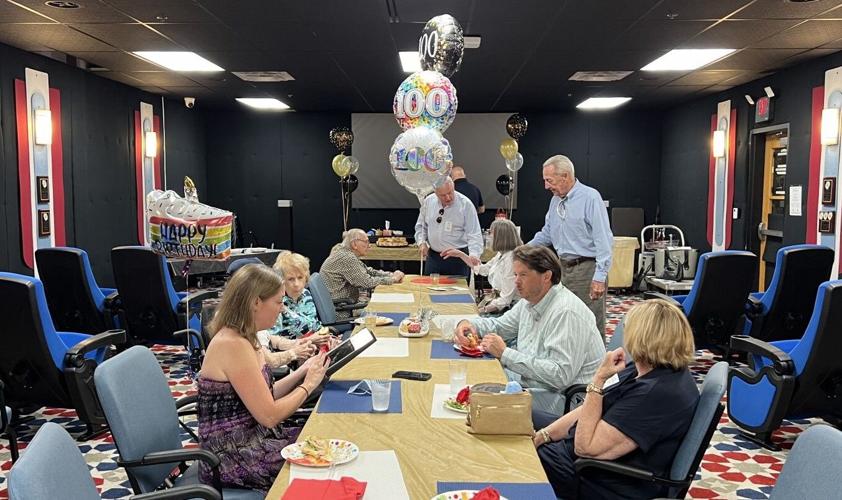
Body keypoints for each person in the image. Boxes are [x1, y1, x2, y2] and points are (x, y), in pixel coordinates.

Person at [532, 299, 699, 500]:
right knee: (523, 417)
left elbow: (585, 447)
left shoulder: (654, 395)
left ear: (642, 338)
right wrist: (544, 435)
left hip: (596, 478)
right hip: (580, 454)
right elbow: (588, 410)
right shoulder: (644, 368)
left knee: (514, 456)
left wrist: (598, 380)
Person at [197, 264, 328, 492]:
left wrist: (304, 370)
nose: (282, 308)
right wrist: (308, 385)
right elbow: (269, 415)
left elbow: (264, 395)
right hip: (230, 457)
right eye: (278, 302)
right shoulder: (232, 344)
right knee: (323, 461)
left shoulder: (246, 336)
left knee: (325, 441)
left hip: (251, 441)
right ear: (256, 302)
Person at [453, 245, 605, 413]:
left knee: (479, 405)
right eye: (515, 274)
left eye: (523, 275)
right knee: (472, 385)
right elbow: (500, 326)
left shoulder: (566, 312)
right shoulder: (530, 300)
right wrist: (468, 324)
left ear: (546, 276)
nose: (516, 281)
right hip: (535, 386)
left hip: (566, 401)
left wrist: (505, 354)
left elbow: (560, 376)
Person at [528, 154, 614, 339]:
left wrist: (599, 277)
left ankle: (597, 367)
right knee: (566, 321)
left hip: (587, 270)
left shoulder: (590, 197)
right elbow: (547, 234)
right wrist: (523, 250)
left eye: (549, 180)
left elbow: (604, 240)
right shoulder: (555, 200)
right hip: (563, 269)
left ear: (565, 176)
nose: (546, 186)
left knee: (590, 324)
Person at [319, 229, 404, 319]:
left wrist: (390, 275)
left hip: (345, 305)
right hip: (343, 311)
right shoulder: (346, 258)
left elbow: (367, 271)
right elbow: (366, 282)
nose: (369, 246)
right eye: (366, 242)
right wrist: (393, 279)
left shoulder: (344, 253)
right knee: (389, 310)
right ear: (354, 244)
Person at [442, 218, 522, 314]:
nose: (488, 237)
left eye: (491, 234)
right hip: (497, 303)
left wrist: (480, 310)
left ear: (500, 237)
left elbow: (505, 300)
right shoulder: (501, 254)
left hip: (509, 310)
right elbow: (483, 270)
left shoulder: (511, 260)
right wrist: (460, 255)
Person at [415, 177, 484, 277]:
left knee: (457, 291)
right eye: (443, 195)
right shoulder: (428, 202)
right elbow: (421, 227)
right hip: (433, 258)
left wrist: (474, 255)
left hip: (458, 260)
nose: (448, 198)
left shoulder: (465, 204)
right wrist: (421, 243)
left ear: (454, 187)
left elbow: (474, 234)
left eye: (450, 192)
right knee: (429, 290)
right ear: (435, 192)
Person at [268, 251, 322, 339]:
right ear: (282, 280)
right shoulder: (276, 301)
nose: (296, 284)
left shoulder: (305, 293)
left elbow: (313, 324)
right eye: (291, 279)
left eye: (300, 277)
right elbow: (272, 338)